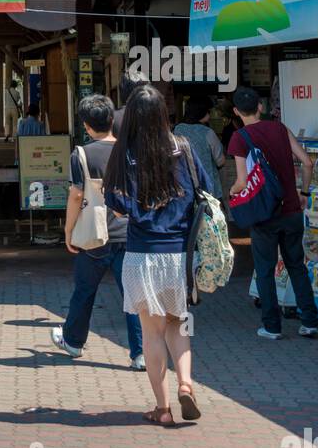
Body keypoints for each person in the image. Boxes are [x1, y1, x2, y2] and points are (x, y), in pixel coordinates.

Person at [104, 84, 213, 427]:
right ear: (163, 114)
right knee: (178, 324)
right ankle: (185, 383)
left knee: (151, 332)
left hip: (141, 253)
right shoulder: (183, 147)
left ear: (131, 115)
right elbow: (205, 189)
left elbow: (117, 204)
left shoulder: (125, 152)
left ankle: (163, 409)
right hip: (179, 253)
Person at [51, 94, 145, 370]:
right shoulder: (129, 152)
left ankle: (73, 342)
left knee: (84, 290)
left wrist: (68, 231)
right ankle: (140, 353)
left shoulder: (81, 154)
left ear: (87, 125)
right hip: (128, 232)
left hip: (94, 236)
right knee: (132, 295)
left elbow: (76, 195)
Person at [228, 85, 318, 340]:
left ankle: (272, 326)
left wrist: (231, 193)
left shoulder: (239, 138)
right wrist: (303, 193)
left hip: (264, 214)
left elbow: (242, 182)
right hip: (291, 209)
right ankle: (310, 321)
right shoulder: (280, 128)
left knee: (265, 269)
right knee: (296, 265)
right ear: (260, 106)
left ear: (236, 111)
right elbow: (308, 162)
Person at [174, 98, 226, 200]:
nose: (210, 114)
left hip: (183, 185)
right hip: (207, 188)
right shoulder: (207, 132)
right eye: (208, 111)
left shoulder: (177, 129)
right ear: (202, 112)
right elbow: (220, 161)